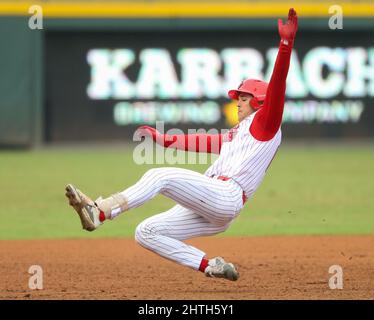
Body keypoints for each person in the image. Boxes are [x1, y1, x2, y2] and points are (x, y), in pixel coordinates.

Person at [65, 8, 298, 281]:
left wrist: (285, 45)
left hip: (225, 195)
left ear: (260, 102)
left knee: (160, 175)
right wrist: (165, 139)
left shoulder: (265, 124)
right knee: (145, 232)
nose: (238, 101)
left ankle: (101, 212)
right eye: (239, 97)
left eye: (244, 98)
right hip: (216, 206)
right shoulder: (242, 132)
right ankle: (210, 265)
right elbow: (204, 141)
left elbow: (278, 86)